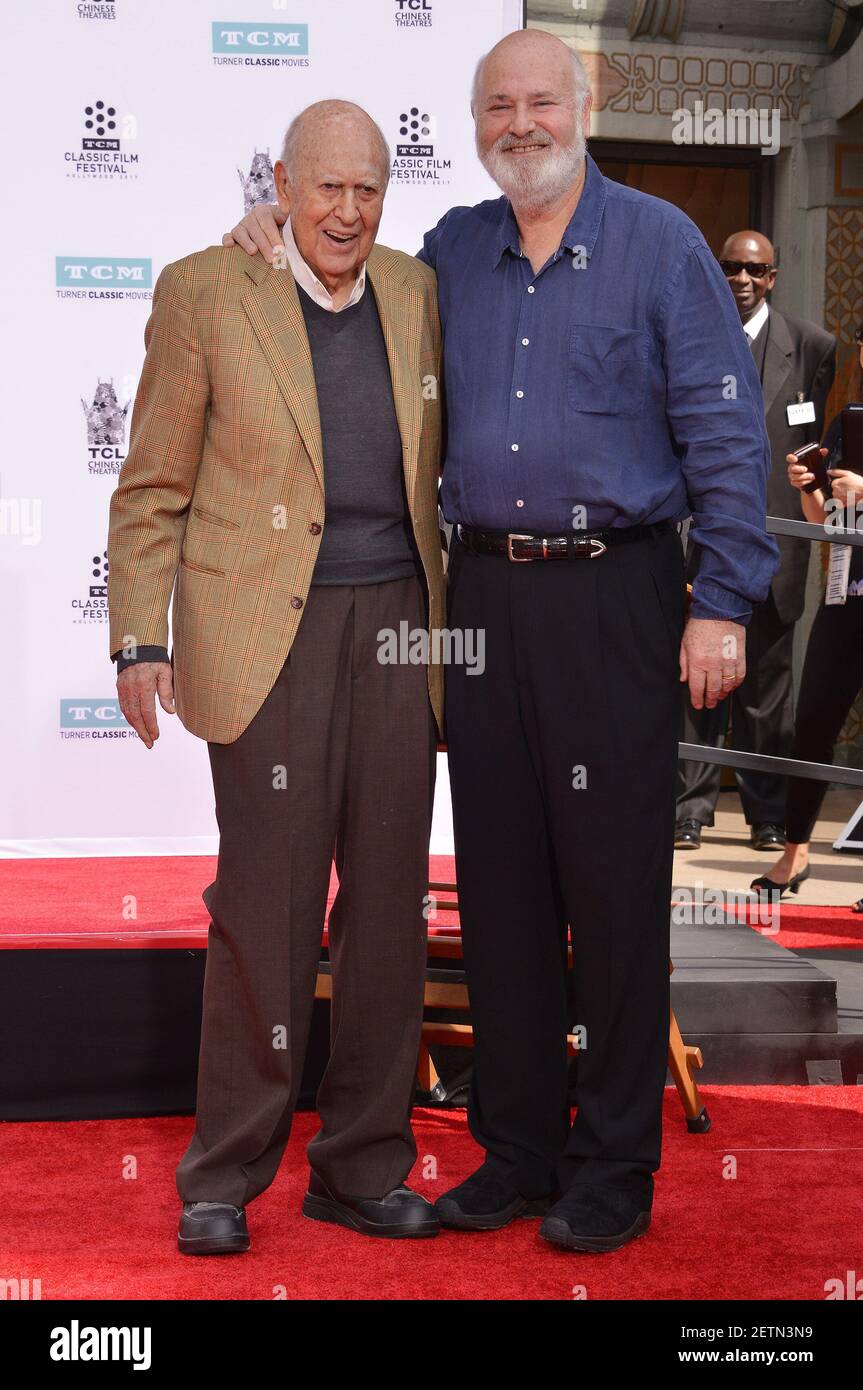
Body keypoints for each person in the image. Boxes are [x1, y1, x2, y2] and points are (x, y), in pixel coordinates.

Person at [226, 29, 779, 1253]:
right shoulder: (447, 258)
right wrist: (257, 247)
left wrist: (722, 599)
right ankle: (518, 1150)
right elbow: (336, 306)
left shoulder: (658, 247)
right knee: (501, 891)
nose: (518, 123)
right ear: (474, 124)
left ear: (583, 107)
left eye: (540, 102)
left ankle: (611, 1164)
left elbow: (724, 433)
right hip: (474, 604)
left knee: (612, 894)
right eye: (496, 107)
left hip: (615, 600)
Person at [108, 101, 447, 1254]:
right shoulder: (207, 289)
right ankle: (225, 1170)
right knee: (264, 912)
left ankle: (360, 1165)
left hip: (402, 628)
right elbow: (150, 481)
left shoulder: (417, 290)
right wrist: (137, 636)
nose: (346, 211)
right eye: (325, 188)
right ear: (282, 187)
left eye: (367, 189)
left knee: (388, 920)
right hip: (267, 635)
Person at [676, 231, 836, 853]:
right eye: (731, 268)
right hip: (701, 542)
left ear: (772, 277)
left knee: (769, 691)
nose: (741, 279)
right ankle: (687, 811)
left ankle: (767, 814)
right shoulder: (689, 333)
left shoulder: (814, 346)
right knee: (695, 685)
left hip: (777, 546)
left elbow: (807, 439)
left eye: (754, 270)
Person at [752, 322, 863, 904]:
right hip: (847, 596)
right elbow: (827, 522)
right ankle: (795, 852)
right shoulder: (851, 423)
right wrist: (808, 487)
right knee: (813, 720)